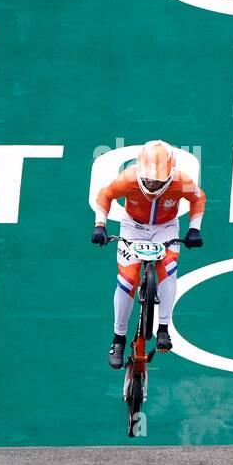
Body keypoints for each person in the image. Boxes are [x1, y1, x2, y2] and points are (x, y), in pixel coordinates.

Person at [92, 140, 205, 368]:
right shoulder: (128, 178)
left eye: (158, 181)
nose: (152, 185)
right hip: (133, 227)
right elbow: (105, 196)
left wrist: (194, 228)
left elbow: (198, 198)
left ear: (170, 175)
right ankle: (118, 339)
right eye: (149, 179)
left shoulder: (181, 182)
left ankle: (163, 328)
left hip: (166, 228)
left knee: (168, 271)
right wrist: (100, 225)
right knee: (127, 280)